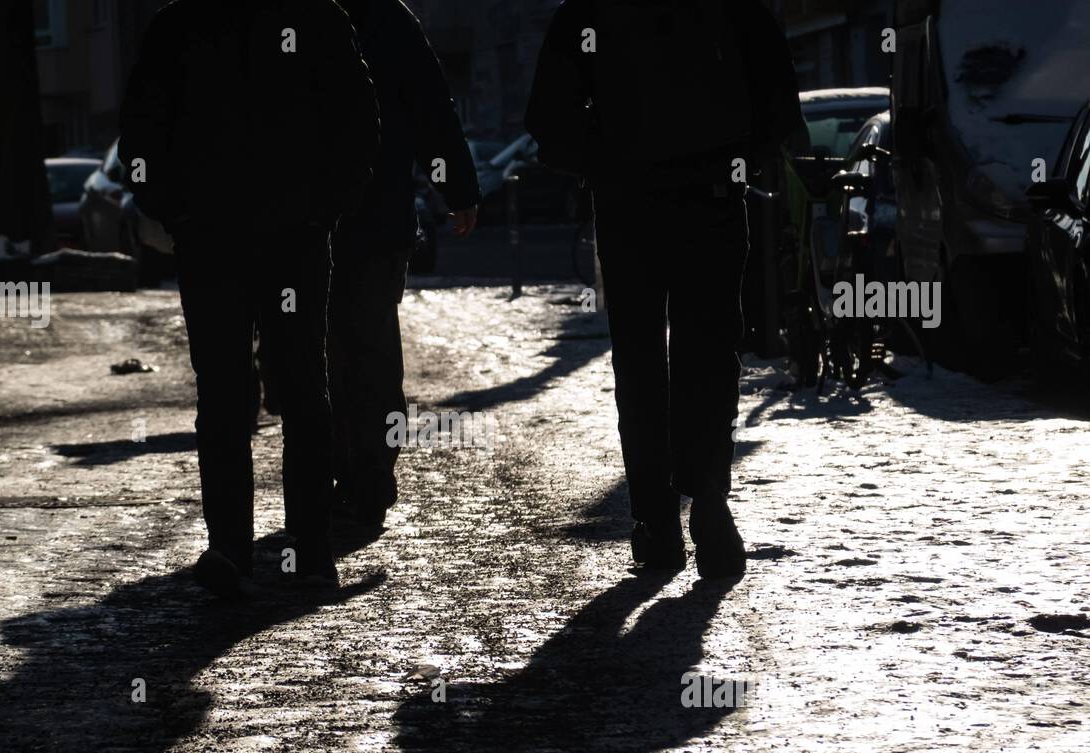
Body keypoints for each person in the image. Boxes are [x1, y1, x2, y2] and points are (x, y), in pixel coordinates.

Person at [525, 0, 804, 579]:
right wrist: (746, 153)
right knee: (709, 353)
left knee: (641, 360)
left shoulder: (590, 10)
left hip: (631, 199)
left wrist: (600, 161)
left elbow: (550, 113)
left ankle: (658, 520)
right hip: (712, 191)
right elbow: (775, 85)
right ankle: (708, 502)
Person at [119, 0, 380, 597]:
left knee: (268, 392)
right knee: (247, 391)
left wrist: (325, 207)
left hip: (262, 236)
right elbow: (140, 128)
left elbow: (357, 122)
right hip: (239, 237)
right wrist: (168, 203)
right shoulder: (200, 25)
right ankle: (262, 550)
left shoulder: (193, 24)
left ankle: (274, 549)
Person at [327, 0, 481, 530]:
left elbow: (430, 109)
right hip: (372, 219)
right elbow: (431, 109)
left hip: (316, 222)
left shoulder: (298, 17)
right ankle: (365, 478)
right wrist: (456, 188)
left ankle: (347, 477)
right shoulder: (388, 20)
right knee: (369, 356)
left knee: (329, 355)